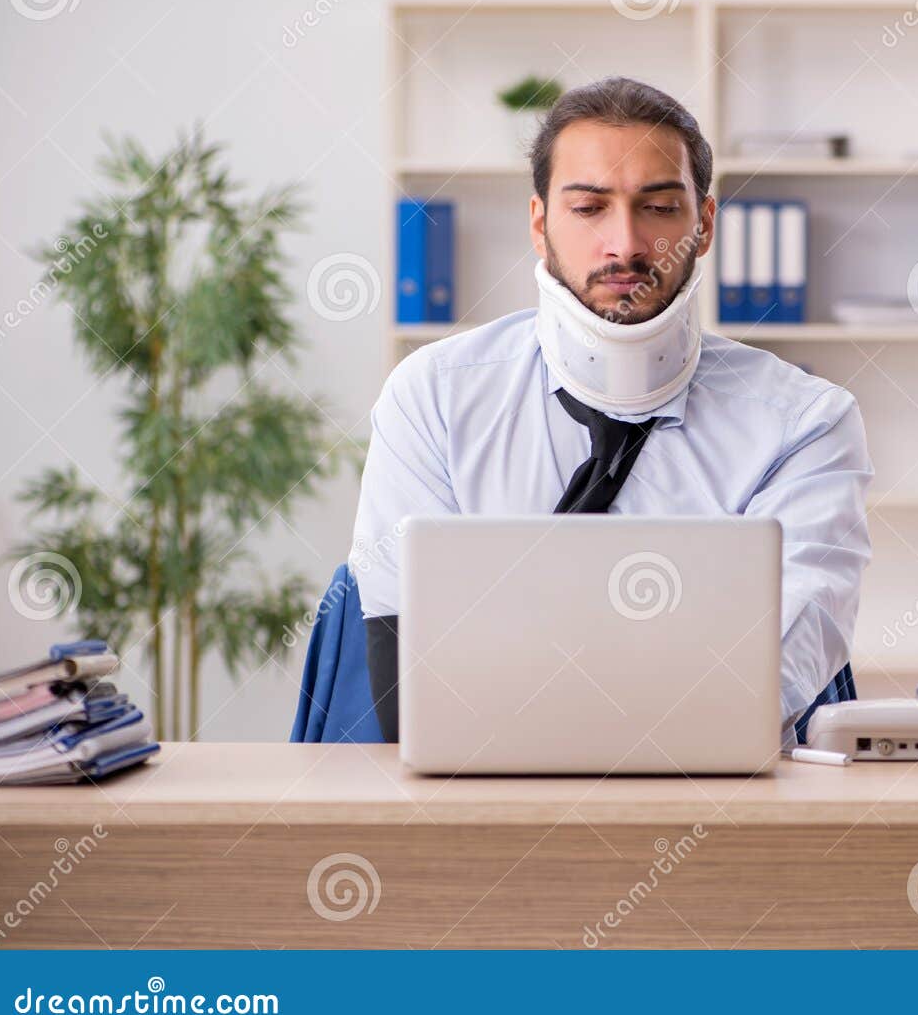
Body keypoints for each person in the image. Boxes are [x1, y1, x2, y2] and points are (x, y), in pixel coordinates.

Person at [349, 75, 873, 746]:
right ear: (540, 225)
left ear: (704, 225)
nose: (624, 245)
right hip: (478, 806)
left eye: (658, 207)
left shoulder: (806, 424)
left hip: (718, 812)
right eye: (589, 208)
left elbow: (764, 681)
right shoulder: (432, 397)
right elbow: (410, 694)